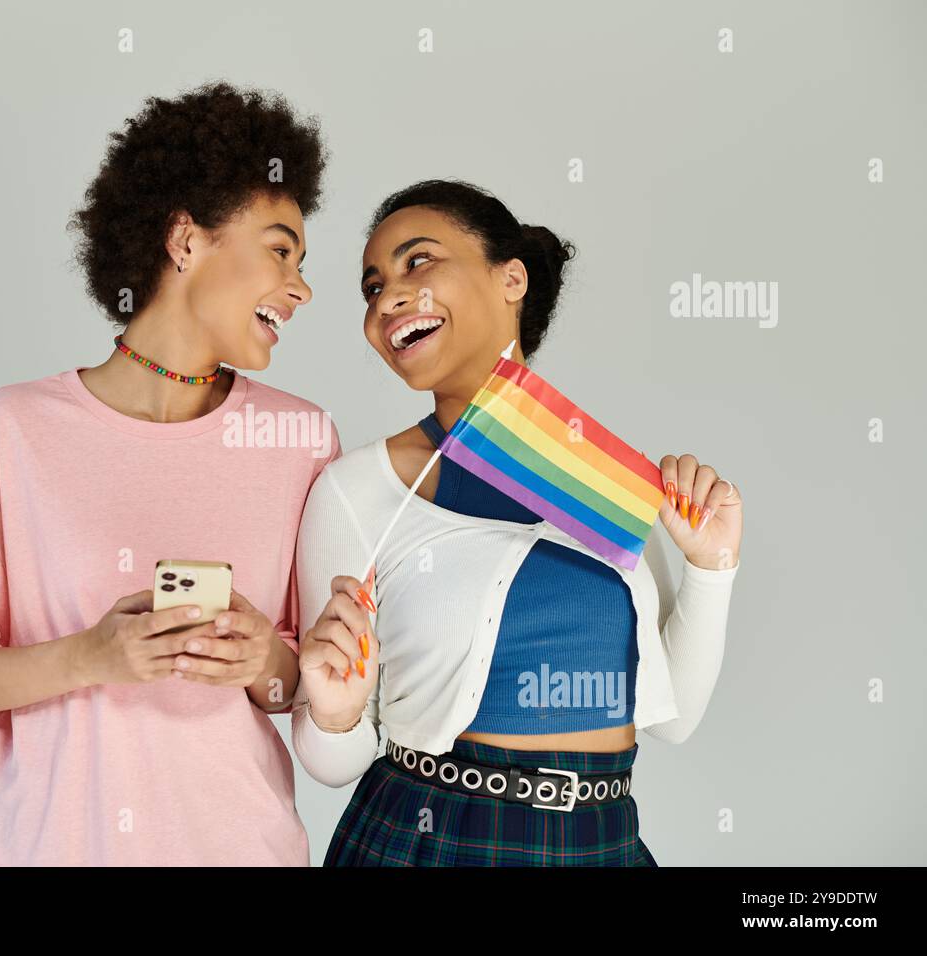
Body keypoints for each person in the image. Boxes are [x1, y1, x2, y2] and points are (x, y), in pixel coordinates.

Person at [0, 81, 339, 865]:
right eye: (281, 248)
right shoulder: (10, 432)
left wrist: (262, 661)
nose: (302, 286)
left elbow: (307, 696)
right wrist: (93, 658)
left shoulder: (302, 439)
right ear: (184, 240)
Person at [291, 179, 743, 866]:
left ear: (512, 279)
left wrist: (712, 568)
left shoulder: (604, 483)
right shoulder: (357, 491)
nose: (387, 298)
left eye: (418, 262)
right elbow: (334, 762)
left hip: (603, 842)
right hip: (428, 837)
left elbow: (674, 716)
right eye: (372, 286)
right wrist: (334, 711)